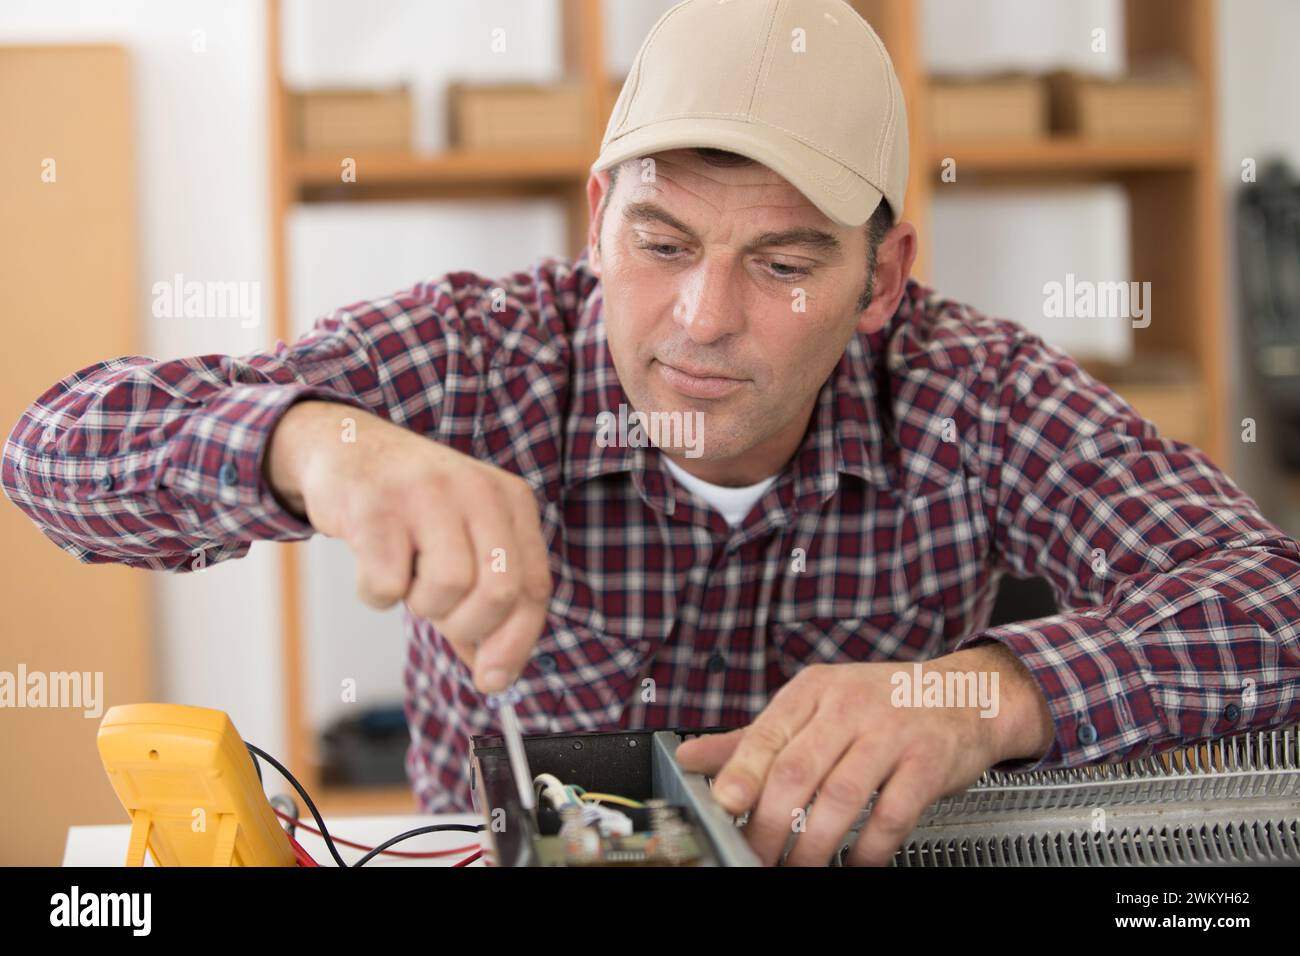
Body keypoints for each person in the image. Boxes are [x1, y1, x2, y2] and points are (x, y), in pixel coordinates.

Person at [5, 0, 1299, 867]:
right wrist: (312, 445)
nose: (701, 320)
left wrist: (989, 693)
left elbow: (1269, 605)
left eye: (784, 263)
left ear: (884, 278)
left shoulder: (972, 392)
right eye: (661, 243)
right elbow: (49, 451)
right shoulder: (484, 355)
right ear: (596, 218)